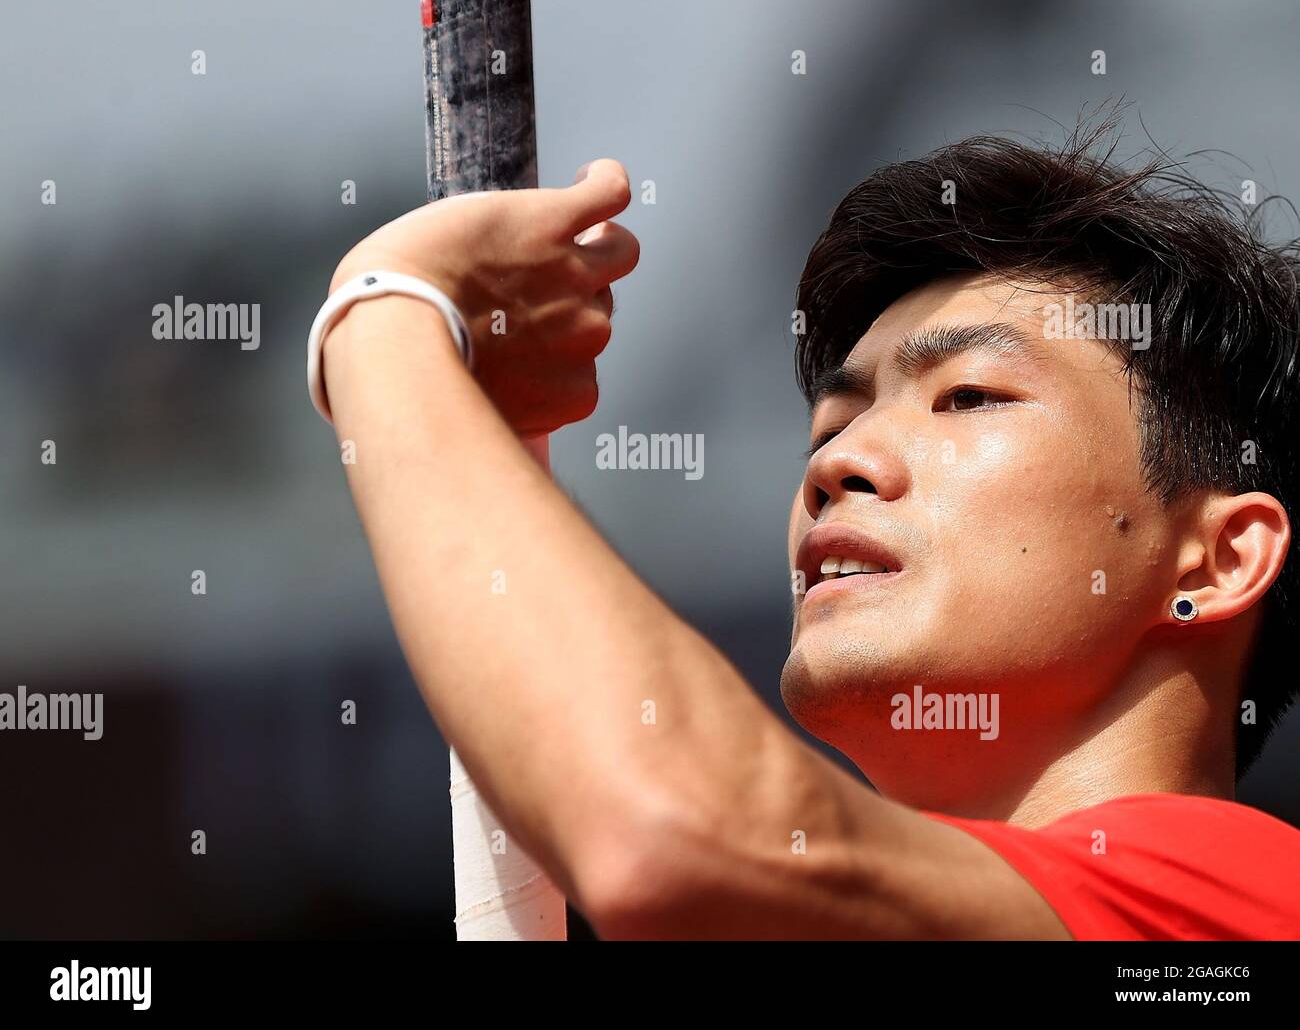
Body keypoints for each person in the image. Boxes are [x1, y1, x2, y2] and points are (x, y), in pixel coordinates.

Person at [309, 128, 1300, 939]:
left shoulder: (1245, 903)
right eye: (831, 426)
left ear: (1216, 559)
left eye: (966, 397)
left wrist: (386, 323)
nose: (836, 466)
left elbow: (674, 829)